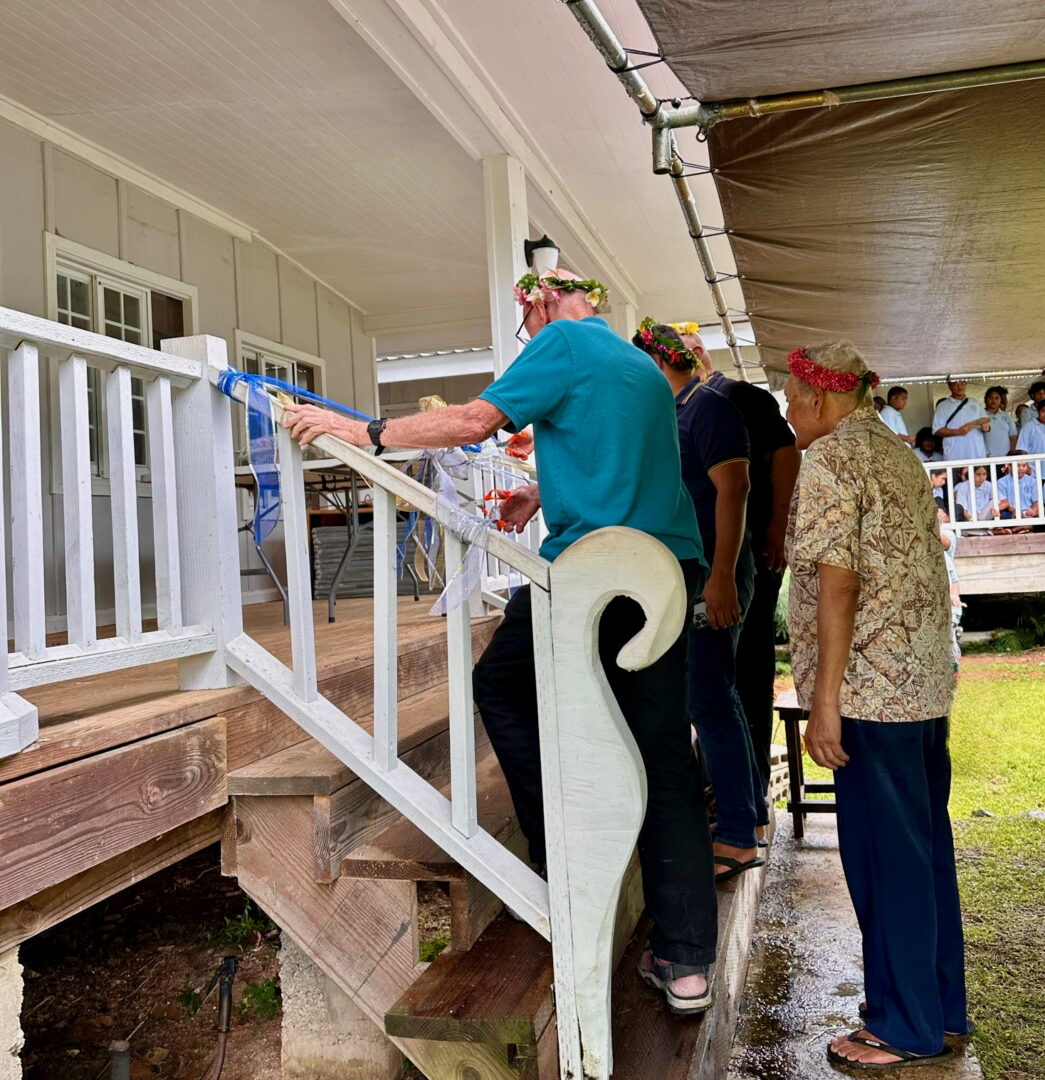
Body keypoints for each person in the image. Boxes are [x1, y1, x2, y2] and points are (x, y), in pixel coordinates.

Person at [281, 267, 718, 1015]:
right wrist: (540, 492)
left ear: (539, 302)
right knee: (661, 749)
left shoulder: (562, 343)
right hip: (665, 566)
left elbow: (472, 422)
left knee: (502, 685)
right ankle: (686, 963)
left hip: (593, 568)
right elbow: (623, 459)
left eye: (525, 325)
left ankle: (564, 859)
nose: (527, 337)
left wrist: (363, 433)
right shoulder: (639, 366)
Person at [783, 340, 968, 1069]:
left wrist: (823, 703)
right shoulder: (898, 452)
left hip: (869, 695)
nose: (789, 413)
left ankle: (903, 1027)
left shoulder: (831, 458)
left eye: (792, 400)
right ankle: (937, 1010)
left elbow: (840, 582)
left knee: (884, 861)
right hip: (920, 687)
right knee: (923, 855)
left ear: (821, 398)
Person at [633, 319, 766, 883]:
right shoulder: (673, 411)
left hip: (716, 574)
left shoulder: (707, 406)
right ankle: (749, 813)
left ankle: (737, 835)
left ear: (659, 361)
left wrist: (722, 578)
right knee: (712, 699)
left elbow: (735, 488)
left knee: (710, 700)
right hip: (692, 576)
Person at [671, 322, 800, 834]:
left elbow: (784, 454)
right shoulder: (678, 409)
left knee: (744, 672)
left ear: (700, 352)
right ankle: (731, 791)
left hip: (749, 554)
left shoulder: (736, 397)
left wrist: (778, 526)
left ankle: (750, 797)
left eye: (688, 351)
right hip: (705, 561)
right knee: (715, 681)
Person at [933, 376, 990, 461]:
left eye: (962, 382)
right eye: (955, 383)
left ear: (966, 383)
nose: (959, 386)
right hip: (954, 456)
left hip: (977, 454)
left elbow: (986, 422)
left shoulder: (975, 402)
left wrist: (986, 426)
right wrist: (958, 431)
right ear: (949, 386)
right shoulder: (942, 406)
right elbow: (937, 430)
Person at [982, 386, 1018, 457]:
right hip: (985, 458)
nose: (993, 400)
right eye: (990, 397)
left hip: (1006, 458)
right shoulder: (980, 415)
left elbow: (1013, 437)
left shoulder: (1007, 416)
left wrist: (1011, 455)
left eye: (997, 398)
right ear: (985, 399)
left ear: (1000, 400)